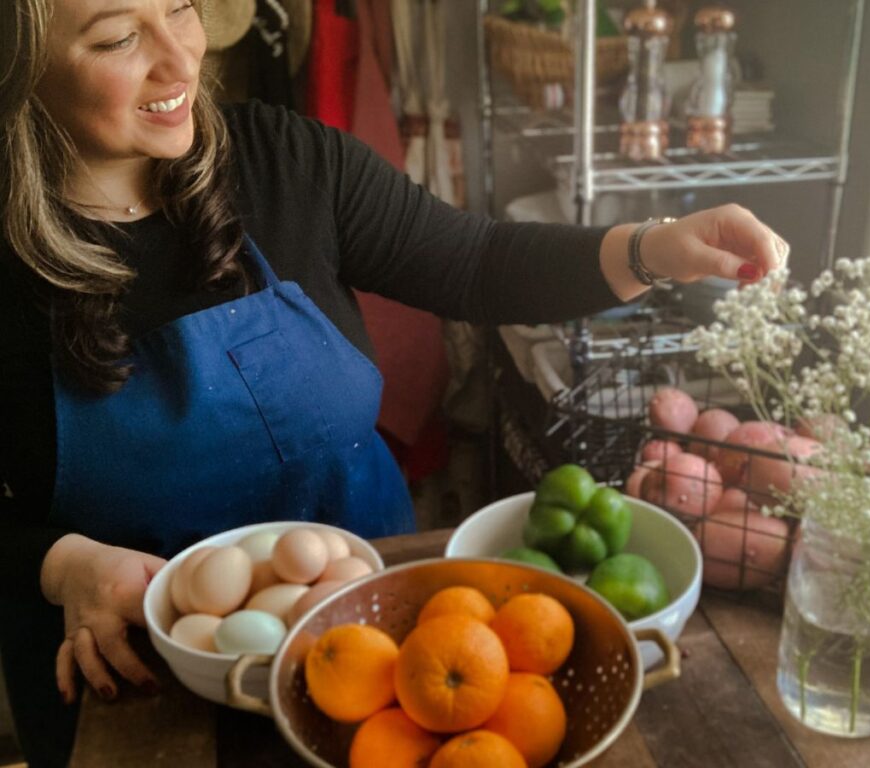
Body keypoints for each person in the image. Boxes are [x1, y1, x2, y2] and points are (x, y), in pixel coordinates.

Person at [0, 1, 789, 764]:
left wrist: (659, 248)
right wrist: (62, 564)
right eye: (114, 41)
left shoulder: (284, 162)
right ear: (20, 63)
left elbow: (477, 264)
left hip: (382, 657)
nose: (179, 59)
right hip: (141, 686)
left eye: (179, 8)